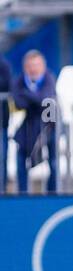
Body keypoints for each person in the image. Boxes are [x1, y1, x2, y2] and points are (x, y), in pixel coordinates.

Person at [11, 50, 59, 194]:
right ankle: (23, 193)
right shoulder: (19, 81)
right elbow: (19, 103)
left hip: (48, 126)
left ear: (43, 66)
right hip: (28, 126)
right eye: (30, 65)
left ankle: (52, 192)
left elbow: (45, 98)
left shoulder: (49, 78)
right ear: (25, 67)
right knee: (21, 159)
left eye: (37, 65)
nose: (34, 69)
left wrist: (27, 95)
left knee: (53, 161)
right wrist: (35, 98)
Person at [0, 55, 9, 193]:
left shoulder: (3, 65)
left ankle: (2, 189)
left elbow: (7, 85)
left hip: (1, 123)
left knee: (1, 158)